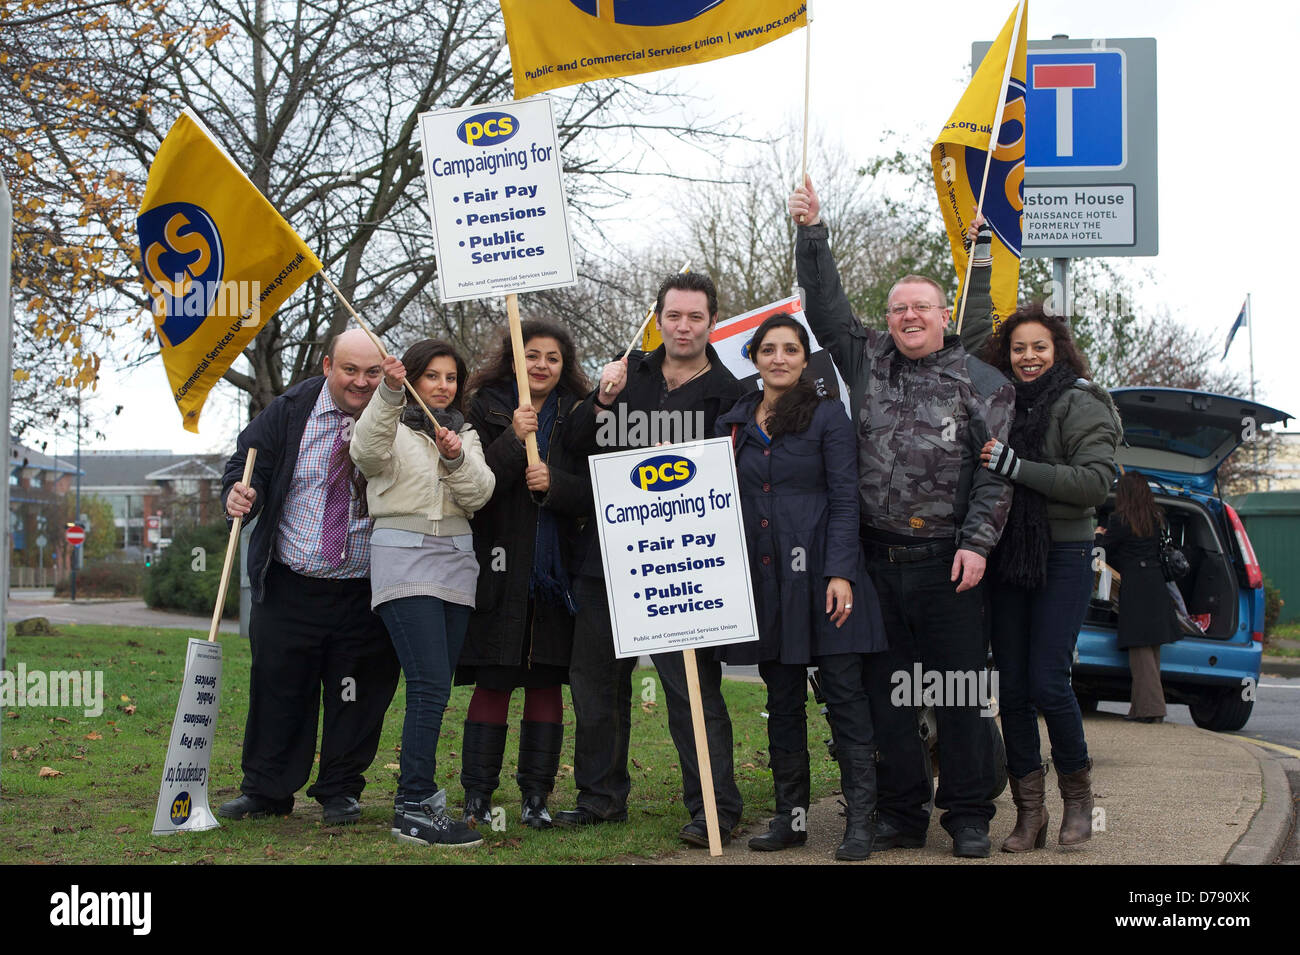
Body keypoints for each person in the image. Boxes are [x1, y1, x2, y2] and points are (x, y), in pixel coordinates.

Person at [788, 176, 1015, 858]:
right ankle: (900, 812)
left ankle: (969, 814)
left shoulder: (983, 382)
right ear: (886, 319)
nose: (908, 317)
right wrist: (812, 233)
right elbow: (826, 311)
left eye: (921, 307)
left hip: (951, 564)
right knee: (888, 696)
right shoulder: (868, 360)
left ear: (944, 314)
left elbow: (993, 476)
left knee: (958, 694)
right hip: (876, 565)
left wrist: (977, 543)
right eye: (897, 309)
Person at [557, 271, 746, 847]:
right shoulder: (626, 372)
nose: (683, 326)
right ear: (658, 317)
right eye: (673, 316)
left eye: (695, 317)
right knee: (594, 685)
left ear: (711, 321)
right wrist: (601, 400)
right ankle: (600, 798)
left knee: (690, 689)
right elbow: (571, 446)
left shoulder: (730, 392)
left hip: (681, 563)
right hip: (607, 555)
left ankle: (714, 807)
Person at [961, 232, 1123, 849]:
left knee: (1050, 680)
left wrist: (1014, 467)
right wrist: (979, 264)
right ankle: (1030, 813)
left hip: (1063, 553)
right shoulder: (998, 395)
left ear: (1058, 350)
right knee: (1013, 689)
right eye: (1019, 348)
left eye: (1039, 347)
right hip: (1006, 553)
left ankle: (1078, 801)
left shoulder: (1082, 402)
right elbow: (974, 334)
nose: (1028, 357)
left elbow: (1092, 485)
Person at [715, 312, 889, 859]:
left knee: (844, 697)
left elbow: (844, 497)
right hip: (766, 580)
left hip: (824, 574)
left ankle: (861, 823)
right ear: (754, 357)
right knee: (783, 701)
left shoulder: (828, 415)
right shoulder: (735, 421)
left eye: (791, 349)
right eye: (769, 349)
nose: (780, 359)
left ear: (804, 357)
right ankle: (790, 820)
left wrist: (840, 572)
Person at [219, 328, 401, 826]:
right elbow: (245, 464)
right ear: (327, 367)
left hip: (367, 589)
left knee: (356, 694)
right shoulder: (290, 409)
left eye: (372, 372)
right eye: (350, 370)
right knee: (280, 690)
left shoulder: (399, 410)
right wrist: (240, 492)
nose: (361, 383)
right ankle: (266, 791)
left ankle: (340, 790)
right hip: (291, 584)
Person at [350, 338, 496, 847]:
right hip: (403, 558)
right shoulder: (387, 420)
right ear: (413, 376)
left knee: (435, 686)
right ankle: (415, 804)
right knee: (429, 683)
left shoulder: (465, 432)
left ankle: (415, 800)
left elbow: (480, 495)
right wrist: (388, 393)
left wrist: (457, 460)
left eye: (451, 377)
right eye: (432, 376)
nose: (442, 386)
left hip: (457, 563)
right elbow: (365, 454)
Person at [455, 321, 592, 830]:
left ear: (564, 366)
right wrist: (514, 441)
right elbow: (473, 487)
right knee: (492, 684)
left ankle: (536, 798)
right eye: (531, 355)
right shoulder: (484, 407)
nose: (541, 366)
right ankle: (477, 797)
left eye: (552, 358)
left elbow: (594, 489)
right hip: (499, 574)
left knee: (545, 688)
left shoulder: (579, 417)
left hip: (556, 583)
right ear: (514, 360)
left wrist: (556, 484)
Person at [1096, 470, 1181, 724]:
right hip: (1156, 585)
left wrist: (1099, 534)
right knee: (1151, 649)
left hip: (1137, 587)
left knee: (1140, 651)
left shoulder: (1120, 520)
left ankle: (1150, 710)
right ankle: (1142, 709)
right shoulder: (1156, 518)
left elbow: (1103, 551)